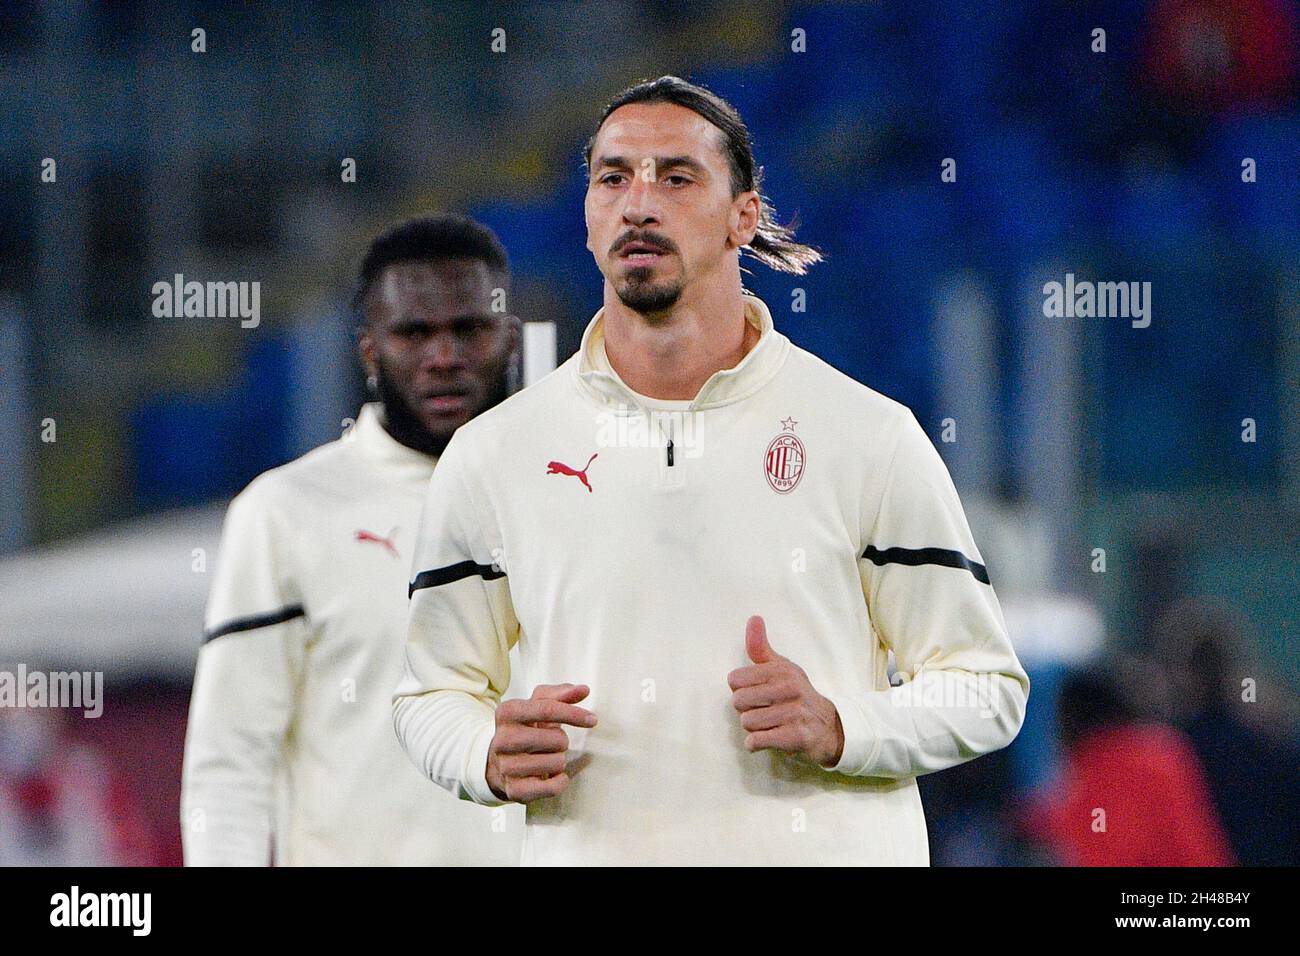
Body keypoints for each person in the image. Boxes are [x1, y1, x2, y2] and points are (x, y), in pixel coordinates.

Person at [394, 77, 1029, 865]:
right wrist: (480, 749)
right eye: (613, 177)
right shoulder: (496, 454)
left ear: (744, 216)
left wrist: (843, 724)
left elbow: (986, 687)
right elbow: (429, 694)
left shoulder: (869, 436)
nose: (639, 204)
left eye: (677, 177)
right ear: (589, 216)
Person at [182, 214, 524, 865]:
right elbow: (230, 761)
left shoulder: (572, 490)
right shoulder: (286, 513)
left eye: (468, 329)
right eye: (414, 334)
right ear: (370, 351)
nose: (444, 357)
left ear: (509, 336)